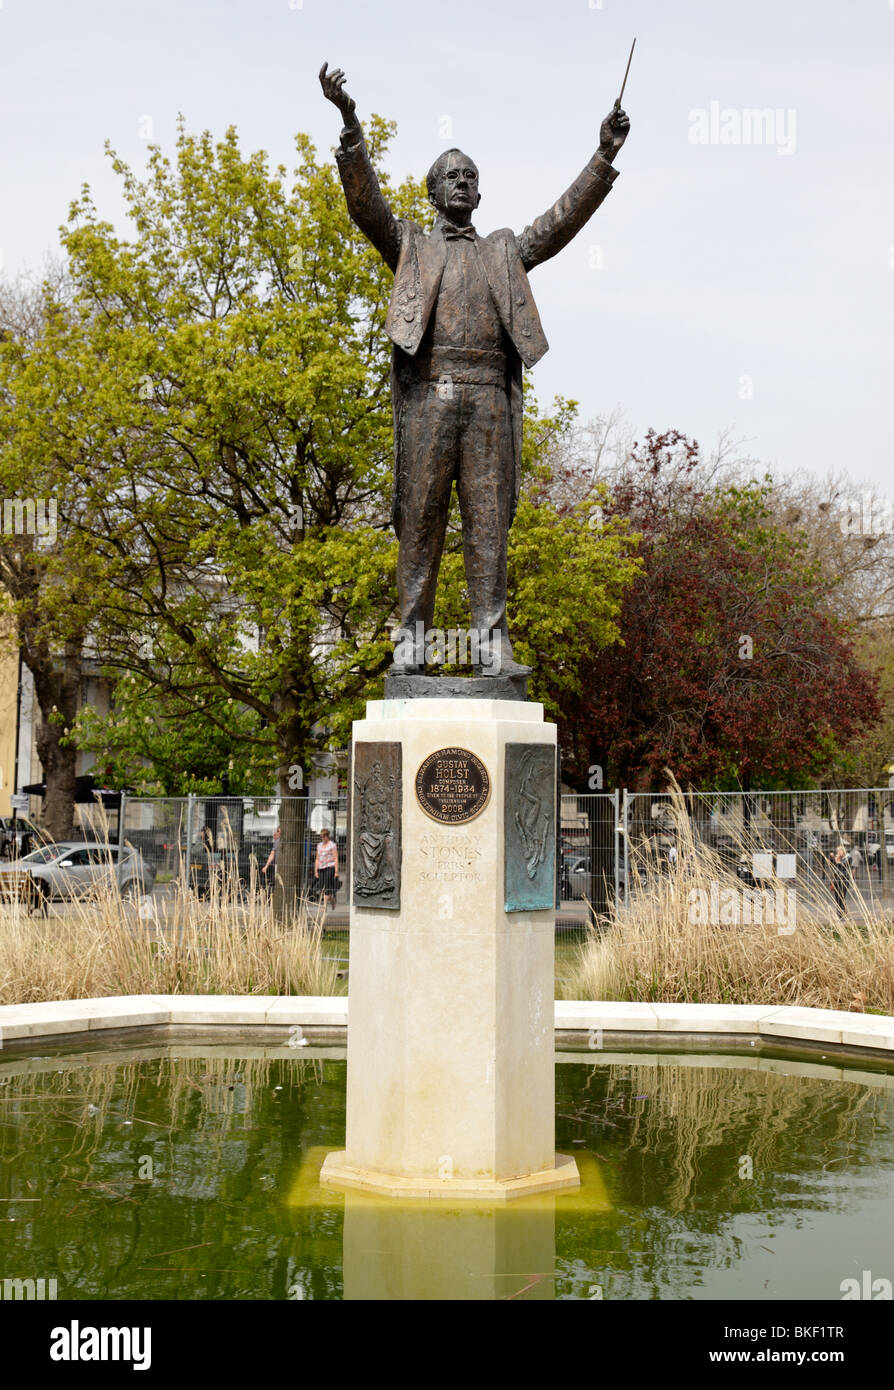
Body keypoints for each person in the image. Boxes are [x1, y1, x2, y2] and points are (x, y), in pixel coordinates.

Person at [320, 63, 629, 676]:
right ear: (433, 192)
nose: (462, 183)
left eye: (471, 177)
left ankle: (492, 647)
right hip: (429, 398)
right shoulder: (412, 244)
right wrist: (351, 124)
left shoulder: (504, 250)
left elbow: (560, 221)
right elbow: (365, 206)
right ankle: (410, 646)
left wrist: (602, 156)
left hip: (489, 400)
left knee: (489, 526)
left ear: (480, 194)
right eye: (451, 177)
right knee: (420, 520)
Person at [314, 827, 339, 910]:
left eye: (324, 836)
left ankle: (324, 906)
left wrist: (336, 871)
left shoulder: (332, 845)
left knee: (327, 887)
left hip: (329, 867)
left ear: (328, 836)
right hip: (321, 868)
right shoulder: (319, 845)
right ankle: (332, 899)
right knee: (321, 887)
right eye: (321, 836)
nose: (323, 838)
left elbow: (335, 858)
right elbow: (317, 859)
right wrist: (316, 871)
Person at [262, 826, 281, 893]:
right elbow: (272, 854)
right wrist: (266, 866)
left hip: (285, 866)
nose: (277, 833)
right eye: (278, 831)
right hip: (277, 865)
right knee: (276, 882)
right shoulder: (276, 842)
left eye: (279, 831)